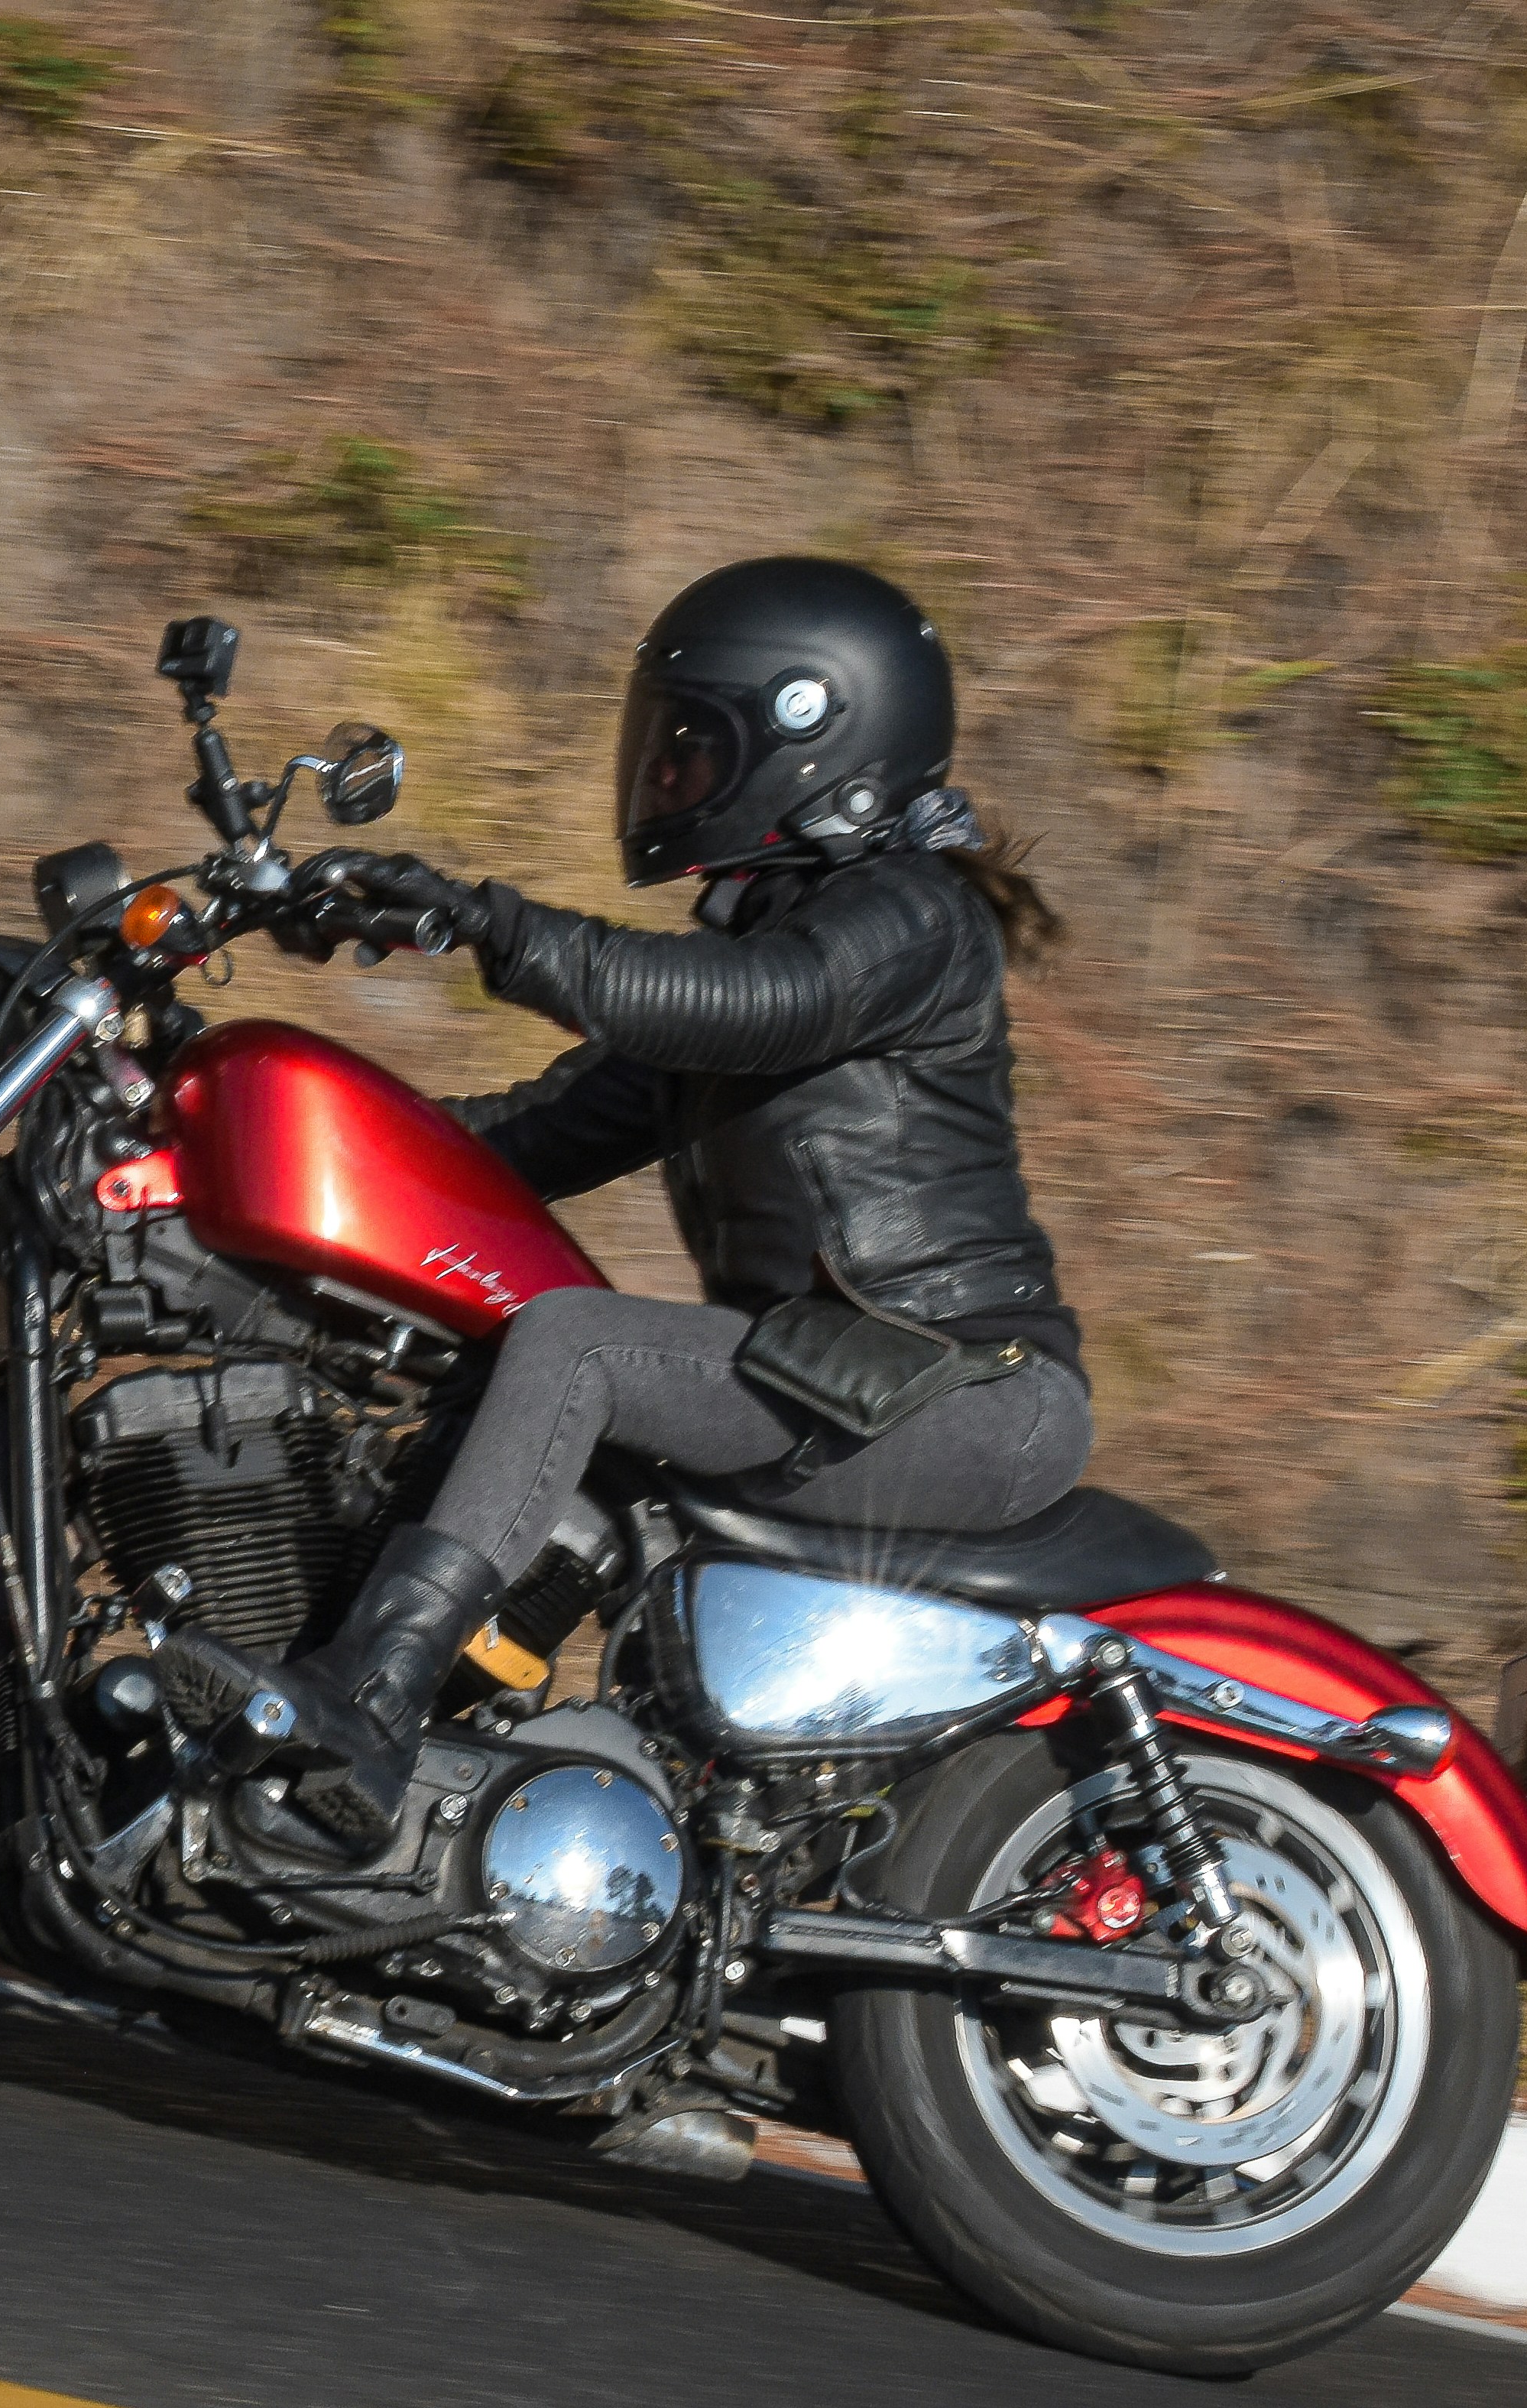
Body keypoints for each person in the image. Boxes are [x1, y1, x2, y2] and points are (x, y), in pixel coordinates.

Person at [156, 555, 1094, 1861]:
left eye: (698, 751)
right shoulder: (760, 952)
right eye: (666, 752)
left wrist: (490, 928)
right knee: (478, 1361)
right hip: (835, 1377)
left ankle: (368, 1705)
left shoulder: (908, 923)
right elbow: (524, 1140)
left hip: (962, 1392)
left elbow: (764, 1005)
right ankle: (420, 1749)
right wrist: (233, 1137)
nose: (668, 781)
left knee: (577, 1339)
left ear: (821, 740)